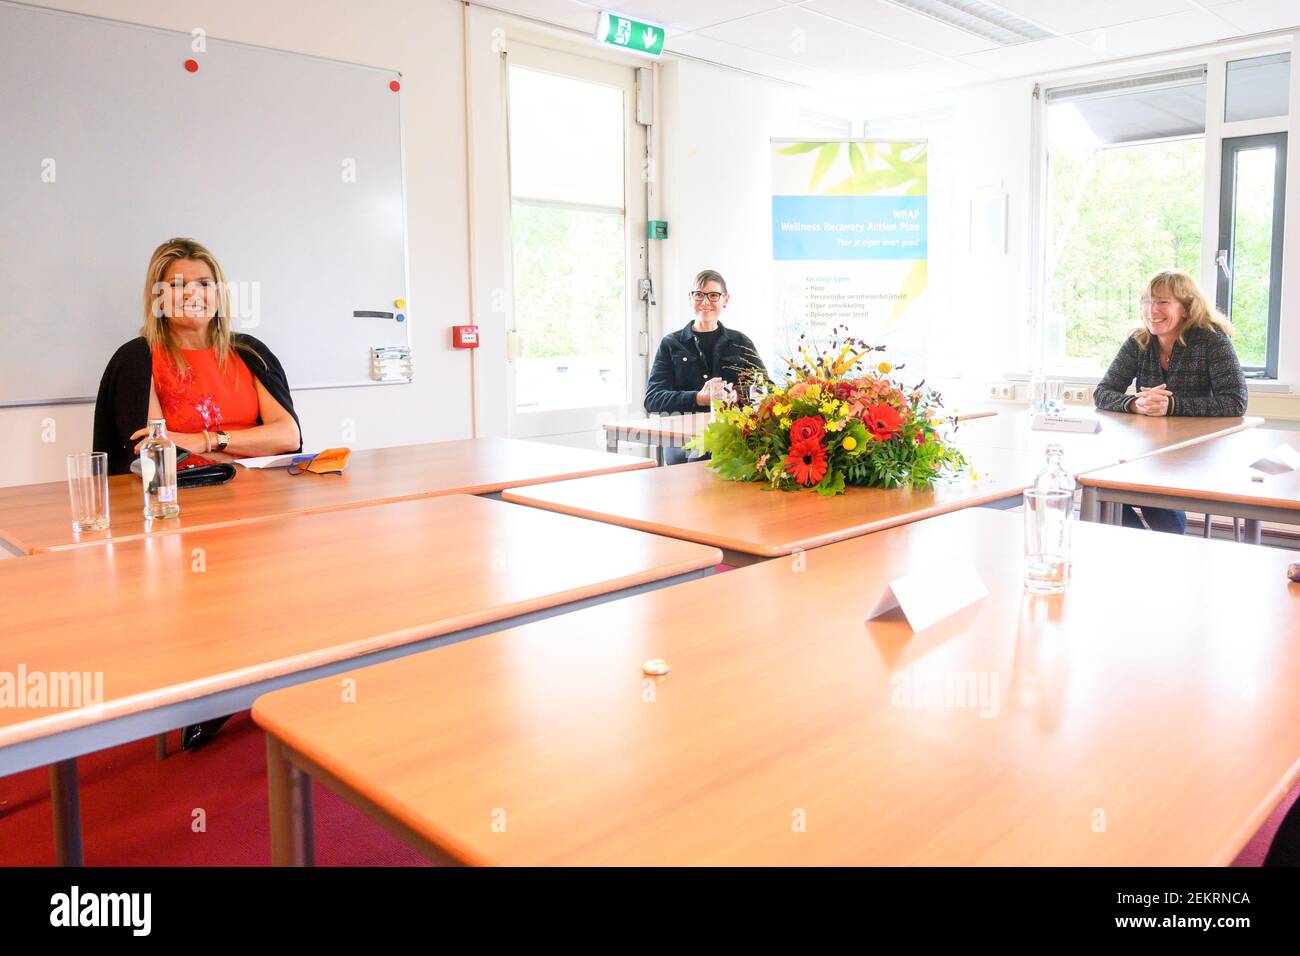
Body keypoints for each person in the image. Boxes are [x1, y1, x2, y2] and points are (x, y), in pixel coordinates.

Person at [93, 237, 303, 749]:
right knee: (199, 590)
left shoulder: (249, 353)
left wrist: (207, 441)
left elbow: (288, 436)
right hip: (183, 511)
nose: (194, 294)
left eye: (204, 283)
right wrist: (232, 448)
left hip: (263, 511)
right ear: (158, 296)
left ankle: (264, 683)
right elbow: (152, 451)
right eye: (179, 285)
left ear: (220, 291)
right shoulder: (139, 358)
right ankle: (209, 693)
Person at [1093, 269, 1248, 535]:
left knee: (1146, 488)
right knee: (1106, 487)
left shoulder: (1211, 339)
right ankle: (1143, 547)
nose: (1152, 310)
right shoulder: (1138, 341)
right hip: (1149, 448)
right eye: (1146, 301)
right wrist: (1135, 404)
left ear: (1187, 308)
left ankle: (1170, 545)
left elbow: (1235, 401)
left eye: (1163, 302)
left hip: (1200, 451)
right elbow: (1103, 392)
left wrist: (1172, 406)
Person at [644, 270, 767, 463]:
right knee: (698, 458)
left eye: (713, 295)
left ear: (725, 299)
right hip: (681, 437)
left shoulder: (740, 342)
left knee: (708, 455)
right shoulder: (671, 344)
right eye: (699, 295)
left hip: (730, 433)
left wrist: (739, 395)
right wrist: (699, 398)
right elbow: (652, 399)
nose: (705, 302)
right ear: (690, 298)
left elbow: (767, 388)